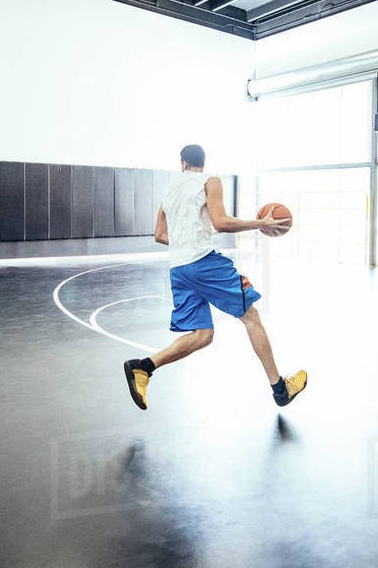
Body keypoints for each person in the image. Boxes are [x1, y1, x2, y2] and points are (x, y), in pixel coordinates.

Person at [122, 144, 307, 410]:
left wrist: (186, 243)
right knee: (251, 317)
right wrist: (261, 224)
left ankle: (142, 368)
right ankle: (281, 389)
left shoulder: (169, 191)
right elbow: (220, 223)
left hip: (179, 268)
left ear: (183, 163)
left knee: (203, 334)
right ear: (201, 163)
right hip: (204, 262)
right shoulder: (210, 181)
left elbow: (160, 236)